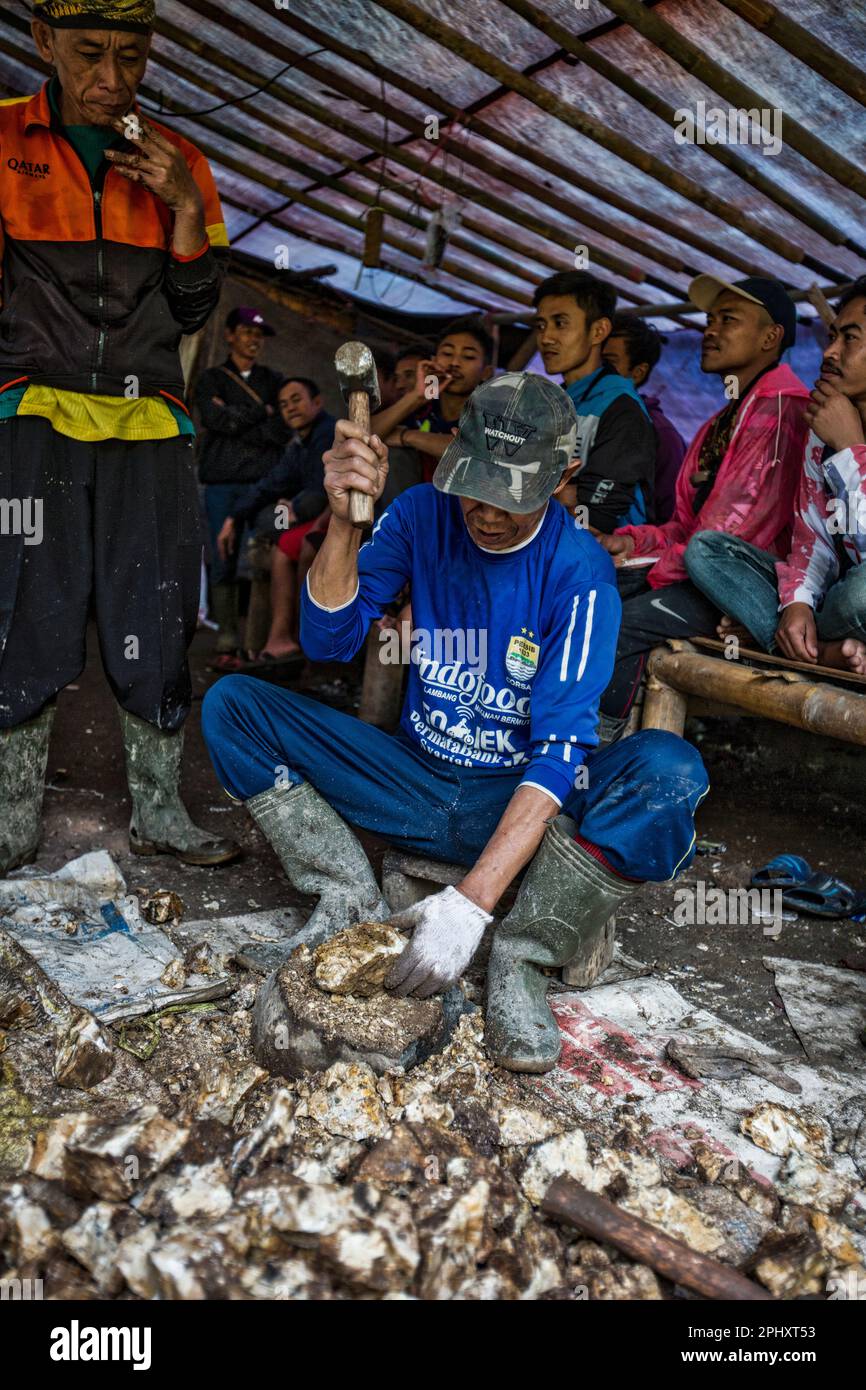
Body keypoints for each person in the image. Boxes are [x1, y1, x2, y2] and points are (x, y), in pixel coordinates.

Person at [202, 373, 709, 1074]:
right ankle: (344, 895)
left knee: (668, 770)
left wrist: (472, 905)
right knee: (234, 704)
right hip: (416, 782)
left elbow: (561, 754)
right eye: (474, 484)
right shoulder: (418, 515)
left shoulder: (580, 573)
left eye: (513, 496)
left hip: (521, 806)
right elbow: (329, 642)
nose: (487, 513)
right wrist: (346, 524)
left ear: (565, 475)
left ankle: (521, 956)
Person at [0, 0, 239, 874]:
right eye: (90, 54)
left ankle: (166, 814)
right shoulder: (3, 142)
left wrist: (179, 205)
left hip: (150, 417)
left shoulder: (187, 162)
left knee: (156, 611)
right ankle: (12, 819)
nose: (111, 80)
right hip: (31, 410)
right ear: (43, 43)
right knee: (26, 605)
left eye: (131, 58)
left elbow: (192, 308)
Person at [595, 276, 810, 739]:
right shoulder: (724, 419)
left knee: (618, 622)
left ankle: (592, 753)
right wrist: (627, 542)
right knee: (589, 591)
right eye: (710, 320)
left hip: (750, 590)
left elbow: (727, 541)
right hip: (699, 574)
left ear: (771, 337)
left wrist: (641, 565)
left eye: (728, 320)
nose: (710, 330)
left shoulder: (780, 412)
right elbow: (684, 528)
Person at [686, 279, 866, 676]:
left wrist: (852, 451)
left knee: (861, 591)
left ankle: (790, 641)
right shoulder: (823, 427)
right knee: (706, 551)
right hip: (836, 600)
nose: (830, 352)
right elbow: (812, 539)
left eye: (849, 338)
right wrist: (797, 603)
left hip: (855, 598)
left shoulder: (816, 419)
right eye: (832, 336)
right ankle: (813, 646)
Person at [217, 378, 335, 661]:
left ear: (317, 402)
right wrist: (233, 517)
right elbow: (270, 484)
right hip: (314, 516)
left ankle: (299, 639)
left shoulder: (330, 433)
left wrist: (296, 506)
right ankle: (281, 638)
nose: (290, 408)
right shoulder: (298, 446)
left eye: (296, 399)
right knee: (274, 535)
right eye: (283, 404)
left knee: (295, 544)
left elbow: (323, 491)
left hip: (342, 518)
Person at [195, 306, 287, 669]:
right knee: (223, 557)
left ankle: (257, 638)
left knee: (261, 555)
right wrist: (259, 414)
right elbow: (216, 420)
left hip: (262, 484)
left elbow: (281, 429)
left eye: (259, 334)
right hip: (221, 483)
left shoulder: (275, 381)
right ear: (230, 335)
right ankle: (227, 636)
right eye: (247, 331)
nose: (254, 340)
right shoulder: (212, 379)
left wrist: (241, 420)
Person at [534, 271, 656, 531]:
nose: (546, 338)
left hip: (604, 562)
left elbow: (597, 516)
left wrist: (542, 492)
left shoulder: (621, 407)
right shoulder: (550, 403)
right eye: (541, 325)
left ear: (599, 331)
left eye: (561, 323)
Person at [371, 318, 494, 480]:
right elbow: (366, 433)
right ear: (434, 361)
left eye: (468, 356)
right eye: (447, 353)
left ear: (486, 372)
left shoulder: (490, 414)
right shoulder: (423, 406)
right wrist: (417, 396)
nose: (455, 363)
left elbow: (472, 452)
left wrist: (407, 436)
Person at [602, 313, 687, 523]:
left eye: (609, 362)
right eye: (592, 359)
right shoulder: (571, 417)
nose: (595, 370)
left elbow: (671, 517)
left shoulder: (661, 435)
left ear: (638, 373)